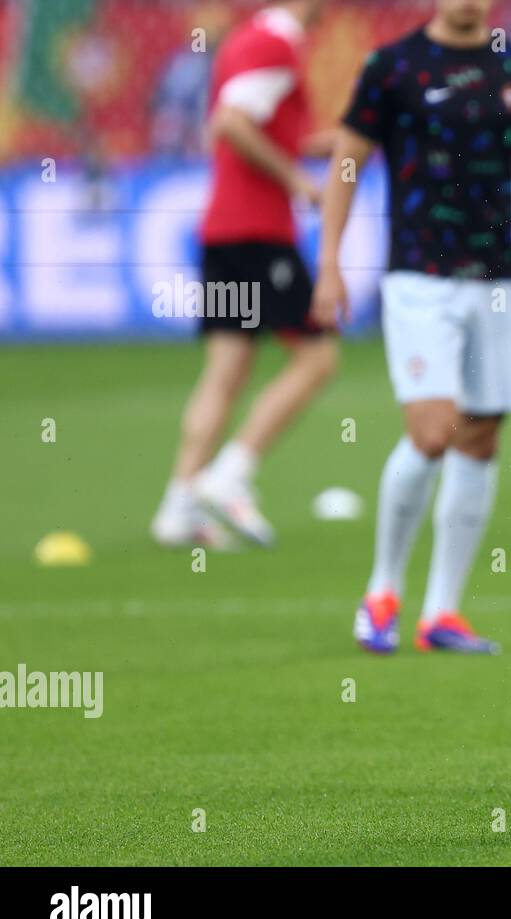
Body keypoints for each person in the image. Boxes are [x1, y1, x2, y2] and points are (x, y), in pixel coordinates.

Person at [312, 0, 511, 655]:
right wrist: (330, 262)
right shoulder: (393, 67)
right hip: (419, 276)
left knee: (481, 435)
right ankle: (382, 592)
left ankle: (442, 613)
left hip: (497, 277)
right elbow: (347, 161)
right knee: (433, 433)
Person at [151, 0, 337, 549]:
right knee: (317, 357)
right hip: (260, 234)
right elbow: (230, 124)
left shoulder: (248, 39)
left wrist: (328, 146)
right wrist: (297, 179)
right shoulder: (274, 43)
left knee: (226, 371)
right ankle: (230, 472)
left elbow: (245, 122)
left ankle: (177, 506)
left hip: (224, 231)